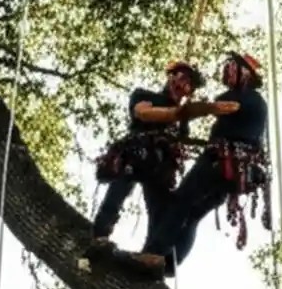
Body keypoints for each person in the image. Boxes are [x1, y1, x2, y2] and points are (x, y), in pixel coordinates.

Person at [122, 51, 272, 276]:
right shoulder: (255, 104)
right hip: (236, 173)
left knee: (180, 201)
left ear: (246, 75)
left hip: (220, 162)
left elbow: (220, 106)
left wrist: (184, 111)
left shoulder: (244, 96)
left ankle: (153, 254)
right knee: (192, 214)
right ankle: (171, 263)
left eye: (232, 68)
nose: (227, 74)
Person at [88, 61, 205, 258]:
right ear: (171, 77)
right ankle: (99, 237)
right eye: (182, 78)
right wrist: (176, 113)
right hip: (134, 155)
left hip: (160, 167)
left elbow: (182, 142)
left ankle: (152, 254)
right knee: (115, 196)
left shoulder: (182, 119)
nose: (184, 86)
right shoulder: (145, 95)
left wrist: (187, 115)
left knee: (160, 211)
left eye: (189, 86)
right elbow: (142, 112)